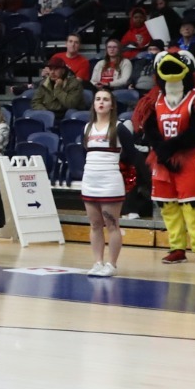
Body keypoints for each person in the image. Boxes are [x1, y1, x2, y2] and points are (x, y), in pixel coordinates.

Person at [145, 51, 195, 266]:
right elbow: (149, 128)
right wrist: (162, 150)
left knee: (192, 206)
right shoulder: (153, 100)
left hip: (187, 158)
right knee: (167, 206)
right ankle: (177, 248)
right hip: (161, 159)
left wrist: (171, 147)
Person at [81, 87, 136, 277]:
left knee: (112, 225)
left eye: (105, 99)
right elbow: (84, 153)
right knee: (95, 225)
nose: (101, 102)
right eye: (98, 99)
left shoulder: (119, 128)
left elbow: (133, 154)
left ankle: (111, 264)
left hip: (110, 181)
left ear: (112, 105)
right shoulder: (87, 128)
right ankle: (98, 262)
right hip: (90, 179)